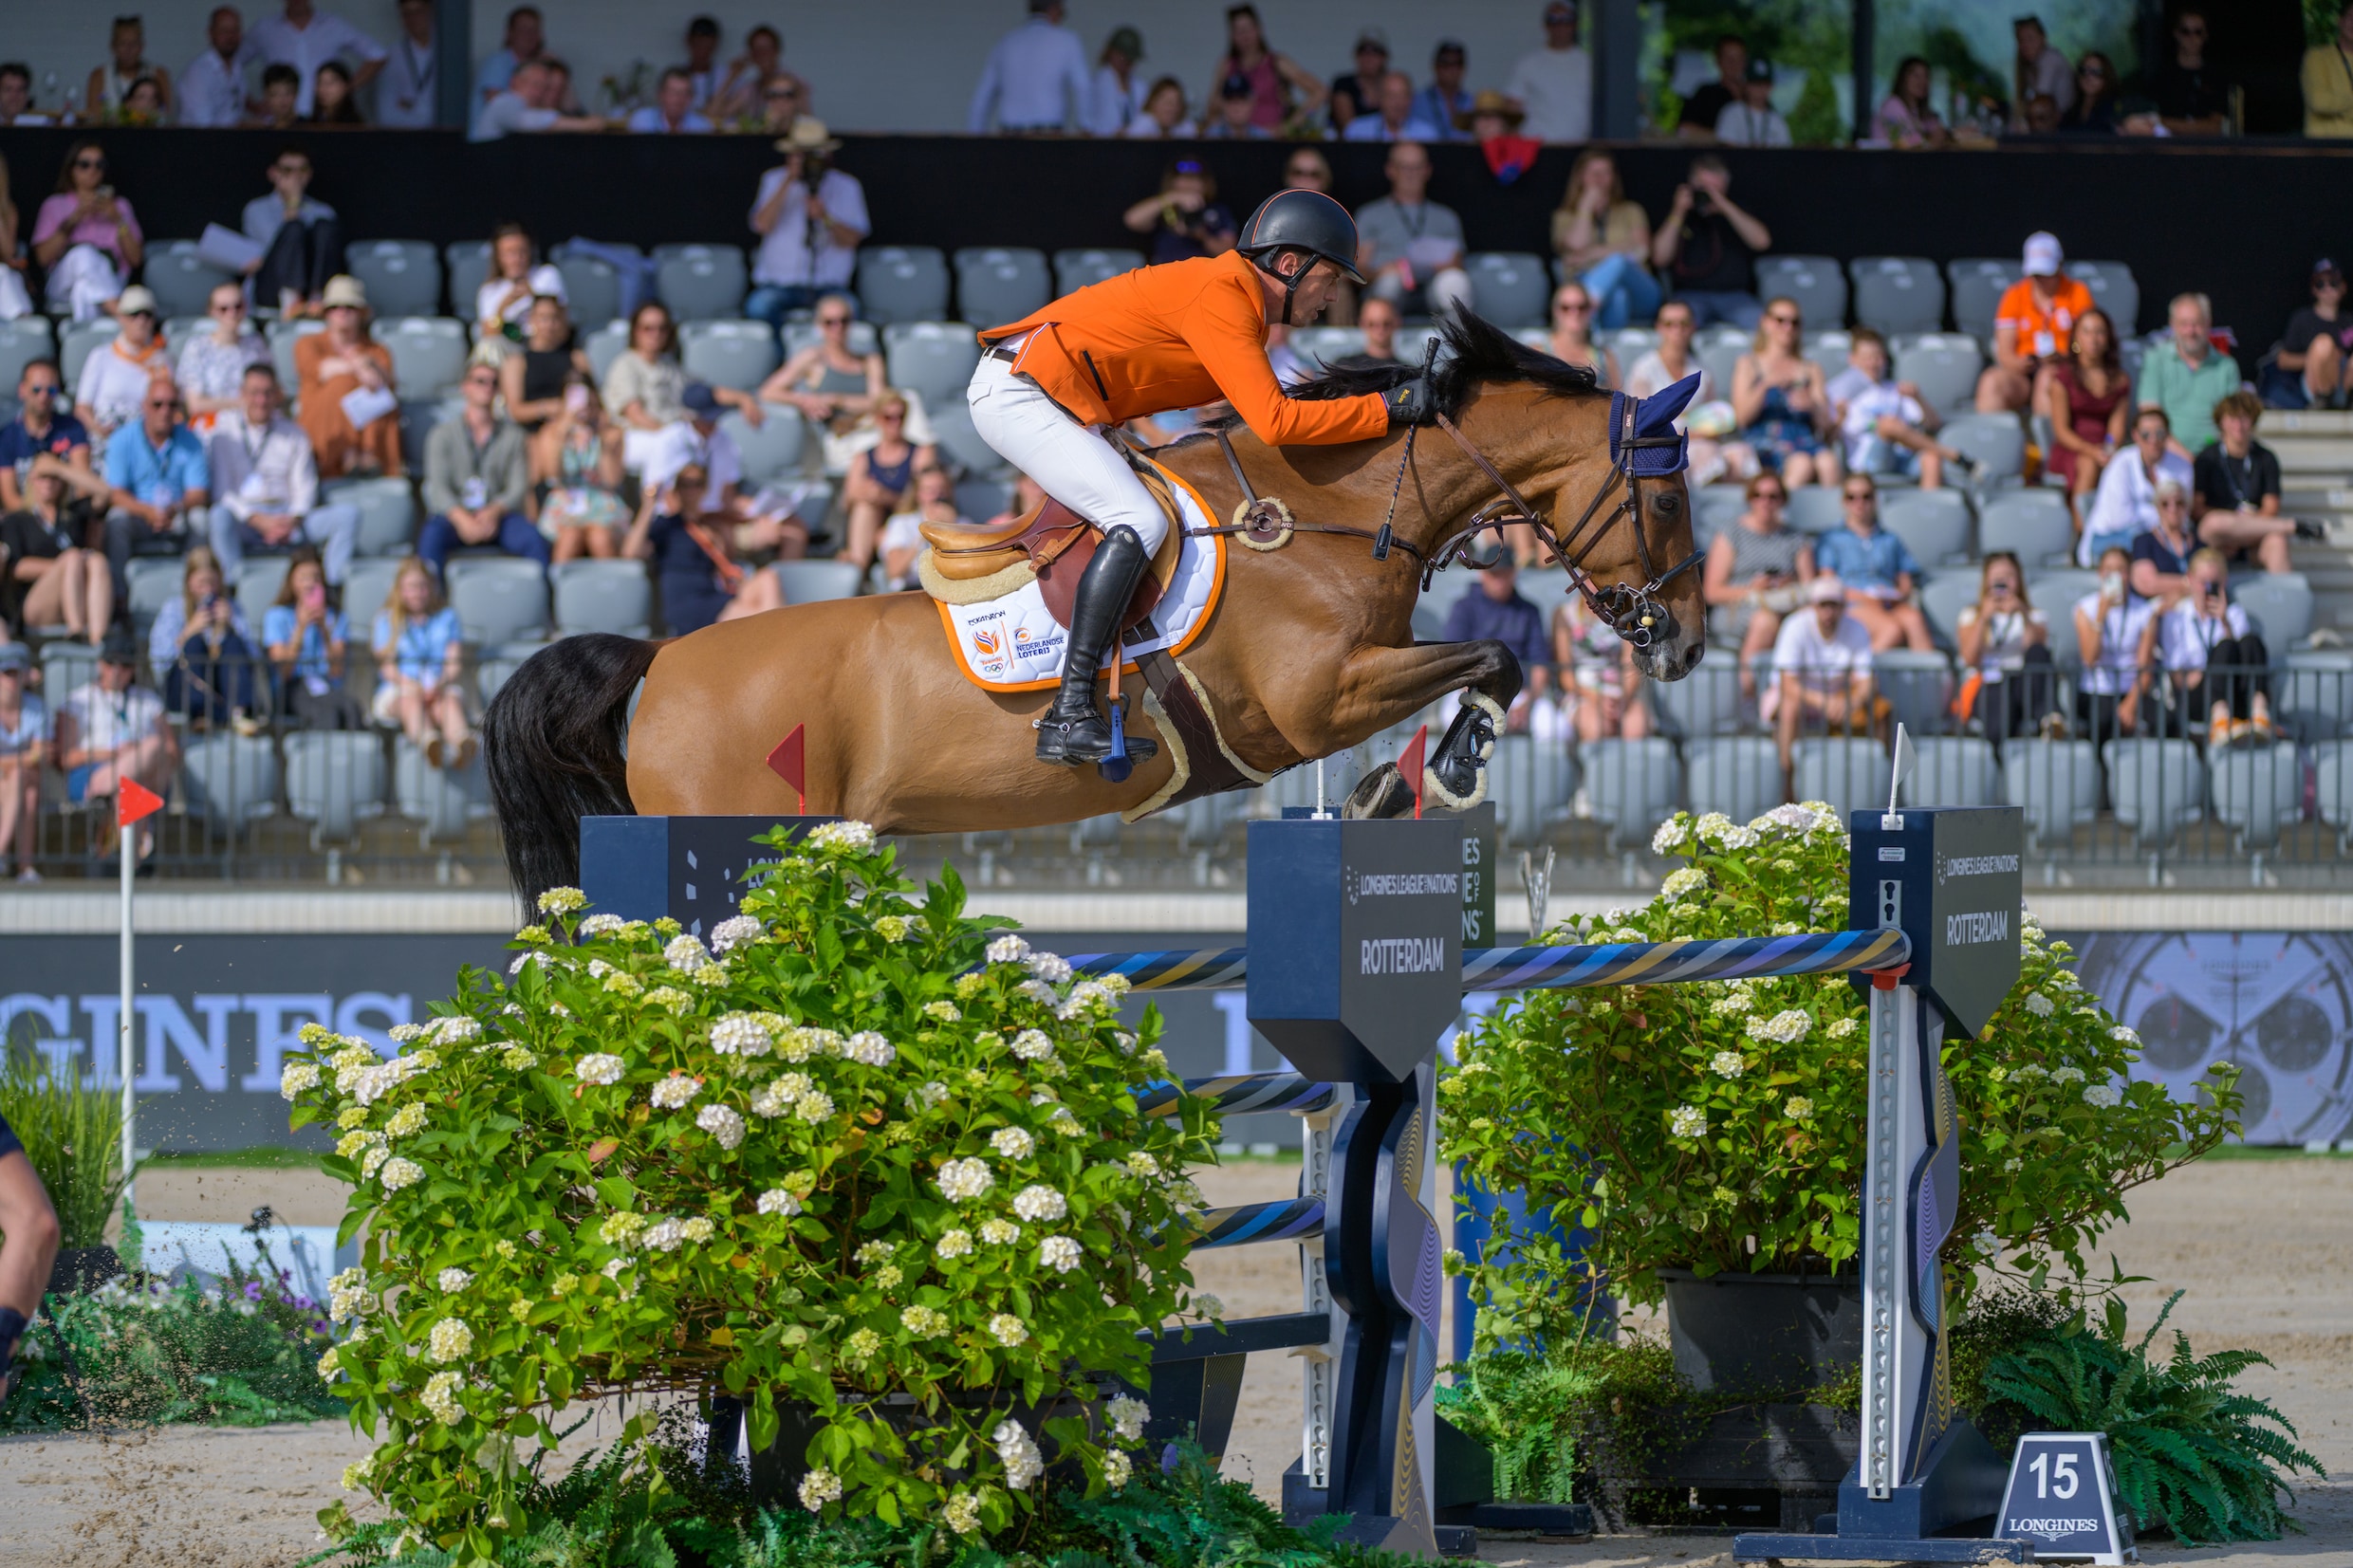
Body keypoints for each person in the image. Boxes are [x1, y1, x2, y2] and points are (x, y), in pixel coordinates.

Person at [972, 188, 1399, 765]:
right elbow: (1275, 421)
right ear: (1291, 266)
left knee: (1168, 508)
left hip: (1063, 403)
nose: (1332, 296)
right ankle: (1069, 713)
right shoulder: (1224, 295)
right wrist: (1387, 409)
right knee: (1138, 517)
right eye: (1331, 279)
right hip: (1021, 393)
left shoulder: (1238, 303)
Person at [206, 361, 360, 587]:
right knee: (219, 516)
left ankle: (330, 585)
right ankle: (230, 585)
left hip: (287, 516)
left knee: (348, 516)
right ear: (242, 394)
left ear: (277, 395)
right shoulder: (224, 433)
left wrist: (291, 520)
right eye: (254, 393)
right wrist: (257, 520)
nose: (261, 401)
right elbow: (223, 492)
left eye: (268, 393)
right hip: (246, 518)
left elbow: (305, 488)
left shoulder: (294, 434)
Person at [640, 382, 808, 563]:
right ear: (690, 417)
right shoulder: (667, 443)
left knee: (793, 529)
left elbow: (727, 497)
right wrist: (718, 520)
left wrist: (759, 511)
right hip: (681, 525)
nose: (712, 423)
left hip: (719, 517)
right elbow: (667, 503)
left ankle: (784, 588)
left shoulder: (723, 440)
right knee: (721, 536)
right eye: (706, 418)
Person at [418, 360, 544, 581]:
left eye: (494, 382)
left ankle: (541, 602)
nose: (488, 387)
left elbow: (518, 486)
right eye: (480, 381)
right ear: (464, 386)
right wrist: (462, 518)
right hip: (456, 516)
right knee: (431, 537)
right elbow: (438, 487)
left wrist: (494, 512)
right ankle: (434, 603)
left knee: (533, 539)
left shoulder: (513, 436)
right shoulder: (442, 435)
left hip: (498, 516)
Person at [56, 627, 177, 851]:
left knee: (142, 770)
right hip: (92, 775)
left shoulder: (149, 701)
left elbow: (170, 750)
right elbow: (64, 757)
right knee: (136, 783)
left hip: (144, 776)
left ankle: (111, 859)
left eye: (126, 665)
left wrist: (135, 756)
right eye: (112, 663)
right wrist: (115, 753)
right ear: (100, 663)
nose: (117, 671)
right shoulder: (76, 700)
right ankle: (134, 864)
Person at [624, 462, 783, 634]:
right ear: (677, 489)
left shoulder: (710, 525)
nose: (692, 490)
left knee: (768, 577)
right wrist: (648, 507)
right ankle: (779, 644)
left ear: (705, 488)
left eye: (698, 483)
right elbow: (631, 552)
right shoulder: (667, 525)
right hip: (687, 602)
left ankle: (774, 642)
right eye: (686, 484)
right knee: (763, 620)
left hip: (713, 594)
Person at [745, 118, 867, 337]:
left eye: (814, 154)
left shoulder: (847, 186)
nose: (809, 160)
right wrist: (789, 180)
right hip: (780, 284)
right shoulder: (773, 180)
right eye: (802, 154)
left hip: (828, 285)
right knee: (759, 307)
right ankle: (781, 365)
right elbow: (761, 225)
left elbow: (853, 239)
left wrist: (826, 218)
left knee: (849, 309)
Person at [2147, 546, 2274, 747]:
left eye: (2213, 583)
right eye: (2202, 582)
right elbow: (2177, 675)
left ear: (2224, 582)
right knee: (2223, 648)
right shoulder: (2177, 617)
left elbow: (2242, 654)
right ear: (2190, 579)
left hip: (2232, 688)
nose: (2207, 589)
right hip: (2196, 694)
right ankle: (2220, 719)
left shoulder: (2234, 614)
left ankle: (2259, 714)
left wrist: (2224, 622)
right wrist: (2206, 673)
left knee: (2250, 641)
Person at [1703, 472, 1812, 699]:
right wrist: (1753, 589)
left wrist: (1788, 583)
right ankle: (1750, 698)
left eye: (1773, 496)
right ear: (1750, 498)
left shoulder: (1795, 538)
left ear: (1783, 500)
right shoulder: (1731, 533)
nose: (1766, 502)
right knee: (1765, 621)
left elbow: (1810, 588)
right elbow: (1712, 592)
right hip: (1737, 608)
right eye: (1759, 495)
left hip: (1785, 607)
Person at [102, 375, 209, 605]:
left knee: (200, 518)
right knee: (116, 519)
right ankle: (119, 596)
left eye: (172, 405)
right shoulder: (121, 440)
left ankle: (199, 595)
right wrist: (147, 511)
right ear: (144, 406)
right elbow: (116, 493)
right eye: (157, 404)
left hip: (176, 515)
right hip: (138, 514)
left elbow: (198, 493)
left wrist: (175, 509)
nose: (165, 411)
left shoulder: (191, 440)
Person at [1828, 329, 1973, 489]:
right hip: (1866, 462)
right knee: (1887, 425)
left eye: (1877, 357)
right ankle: (1952, 454)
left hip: (1901, 457)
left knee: (1932, 460)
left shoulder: (1895, 390)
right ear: (1853, 359)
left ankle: (1927, 512)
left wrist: (1918, 399)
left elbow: (1933, 424)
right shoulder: (1843, 393)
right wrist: (1840, 417)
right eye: (1866, 358)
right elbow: (1830, 437)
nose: (1872, 363)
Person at [1974, 231, 2092, 415]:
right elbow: (2004, 351)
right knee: (1991, 381)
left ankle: (2047, 441)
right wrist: (2019, 363)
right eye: (2036, 273)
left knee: (2048, 378)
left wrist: (2065, 355)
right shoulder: (2014, 295)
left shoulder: (2078, 293)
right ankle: (1990, 440)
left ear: (2059, 266)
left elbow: (2086, 343)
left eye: (2046, 273)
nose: (2041, 279)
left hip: (2065, 368)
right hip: (2022, 373)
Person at [295, 274, 400, 479]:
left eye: (349, 307)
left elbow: (386, 382)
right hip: (324, 431)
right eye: (335, 307)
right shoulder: (308, 344)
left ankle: (369, 454)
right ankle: (346, 453)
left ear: (361, 313)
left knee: (377, 394)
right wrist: (361, 365)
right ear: (326, 313)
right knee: (341, 383)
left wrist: (368, 366)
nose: (342, 313)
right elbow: (321, 369)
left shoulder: (378, 350)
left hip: (369, 436)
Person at [1771, 576, 1879, 776]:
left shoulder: (1857, 628)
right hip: (1804, 699)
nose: (1828, 612)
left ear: (1843, 606)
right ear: (1813, 606)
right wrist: (1824, 702)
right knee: (1789, 708)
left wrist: (1853, 701)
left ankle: (1877, 779)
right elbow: (1788, 684)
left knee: (1882, 710)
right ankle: (1786, 779)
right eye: (1823, 605)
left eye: (1834, 605)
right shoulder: (1794, 626)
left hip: (1838, 698)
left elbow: (1868, 680)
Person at [371, 555, 471, 766]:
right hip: (399, 688)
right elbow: (387, 667)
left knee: (446, 702)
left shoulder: (448, 616)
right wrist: (410, 684)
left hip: (438, 686)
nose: (417, 593)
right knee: (411, 701)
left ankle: (462, 743)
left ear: (431, 587)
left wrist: (439, 684)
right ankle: (428, 741)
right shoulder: (386, 619)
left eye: (422, 586)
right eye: (411, 587)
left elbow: (454, 662)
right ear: (400, 589)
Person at [1812, 475, 1931, 652]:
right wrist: (1867, 599)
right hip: (1852, 603)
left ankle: (1932, 677)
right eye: (1852, 497)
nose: (1859, 503)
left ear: (1875, 500)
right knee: (1891, 630)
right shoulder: (1831, 538)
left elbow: (1905, 580)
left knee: (1914, 620)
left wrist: (1897, 595)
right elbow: (1829, 583)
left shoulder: (1891, 539)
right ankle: (1855, 674)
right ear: (1844, 502)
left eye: (1866, 496)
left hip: (1888, 602)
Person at [1, 456, 112, 643]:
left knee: (97, 560)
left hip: (79, 593)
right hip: (37, 603)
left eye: (54, 478)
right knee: (74, 556)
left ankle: (98, 641)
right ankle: (75, 631)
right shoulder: (18, 519)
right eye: (42, 477)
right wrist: (63, 567)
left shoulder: (72, 514)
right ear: (31, 481)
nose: (48, 483)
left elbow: (104, 493)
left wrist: (60, 468)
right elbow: (17, 568)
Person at [148, 544, 260, 729]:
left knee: (232, 642)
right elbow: (159, 663)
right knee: (194, 644)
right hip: (184, 689)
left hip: (223, 686)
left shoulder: (233, 608)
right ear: (189, 582)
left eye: (212, 583)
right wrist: (188, 632)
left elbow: (255, 657)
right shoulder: (174, 609)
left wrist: (232, 624)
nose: (207, 590)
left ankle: (240, 711)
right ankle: (200, 714)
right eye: (201, 583)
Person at [1954, 551, 2058, 750]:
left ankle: (2050, 717)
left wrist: (2023, 615)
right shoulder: (1971, 615)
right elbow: (1969, 658)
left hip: (2021, 687)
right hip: (1987, 686)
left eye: (2008, 577)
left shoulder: (2035, 616)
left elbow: (2036, 650)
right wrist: (1984, 619)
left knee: (2038, 654)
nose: (2003, 584)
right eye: (1997, 579)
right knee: (2000, 705)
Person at [1652, 155, 1769, 330]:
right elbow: (1659, 258)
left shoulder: (1737, 211)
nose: (1708, 194)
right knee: (1677, 326)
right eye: (1704, 189)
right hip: (1690, 296)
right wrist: (1678, 212)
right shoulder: (1680, 215)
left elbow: (1762, 242)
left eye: (1714, 189)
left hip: (1735, 297)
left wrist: (1724, 206)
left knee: (1765, 327)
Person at [1356, 143, 1471, 322]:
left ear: (1427, 171)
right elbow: (1359, 270)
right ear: (1391, 170)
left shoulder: (1446, 217)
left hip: (1432, 286)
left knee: (1454, 280)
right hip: (1389, 289)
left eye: (1417, 167)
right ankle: (1382, 342)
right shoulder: (1371, 214)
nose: (1411, 174)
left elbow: (1458, 264)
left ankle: (1457, 343)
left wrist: (1445, 267)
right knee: (1390, 282)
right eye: (1404, 167)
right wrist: (1382, 271)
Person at [2193, 390, 2305, 573]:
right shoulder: (2207, 458)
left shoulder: (2265, 458)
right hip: (2218, 540)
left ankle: (2282, 598)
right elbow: (2198, 510)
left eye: (2244, 418)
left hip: (2253, 536)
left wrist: (2242, 531)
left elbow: (2271, 508)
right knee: (2214, 522)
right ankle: (2291, 526)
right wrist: (2234, 523)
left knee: (2277, 541)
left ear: (2253, 421)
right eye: (2232, 418)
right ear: (2221, 421)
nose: (2238, 425)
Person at [31, 139, 142, 322]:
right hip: (62, 283)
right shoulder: (55, 204)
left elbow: (136, 259)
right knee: (84, 254)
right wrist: (75, 217)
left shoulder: (120, 206)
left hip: (112, 278)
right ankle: (126, 319)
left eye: (99, 165)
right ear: (71, 169)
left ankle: (87, 344)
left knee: (83, 290)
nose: (92, 170)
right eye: (84, 164)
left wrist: (118, 219)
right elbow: (42, 258)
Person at [1732, 298, 1836, 488]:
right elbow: (1741, 418)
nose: (1787, 328)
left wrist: (1811, 405)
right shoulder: (1749, 364)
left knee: (1829, 463)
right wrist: (1765, 386)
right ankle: (1779, 512)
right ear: (1766, 322)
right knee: (1802, 464)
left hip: (1803, 437)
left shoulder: (1811, 368)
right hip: (1765, 439)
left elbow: (1826, 424)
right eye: (1780, 320)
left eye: (1794, 322)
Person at [1439, 560, 1552, 735]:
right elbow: (1453, 660)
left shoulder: (1528, 610)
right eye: (1494, 574)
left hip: (1519, 694)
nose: (1499, 580)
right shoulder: (1464, 607)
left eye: (1505, 574)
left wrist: (1528, 704)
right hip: (1471, 690)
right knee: (1451, 716)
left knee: (1550, 724)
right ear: (1482, 575)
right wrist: (1485, 705)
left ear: (1514, 574)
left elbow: (1539, 663)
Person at [757, 293, 885, 443]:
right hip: (838, 438)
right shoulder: (813, 358)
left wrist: (837, 400)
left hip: (871, 431)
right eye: (829, 322)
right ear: (819, 325)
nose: (837, 328)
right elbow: (768, 392)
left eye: (843, 321)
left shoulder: (870, 361)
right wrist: (805, 400)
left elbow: (880, 403)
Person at [1552, 150, 1657, 331]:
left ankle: (1586, 309)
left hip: (1641, 291)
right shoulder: (1564, 216)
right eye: (1593, 173)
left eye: (1606, 172)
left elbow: (1642, 252)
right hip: (1589, 284)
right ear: (1580, 177)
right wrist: (1585, 207)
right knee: (1617, 296)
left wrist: (1588, 255)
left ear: (1614, 177)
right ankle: (1604, 348)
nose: (1599, 179)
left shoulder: (1631, 210)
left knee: (1618, 262)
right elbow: (1576, 245)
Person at [2040, 305, 2130, 512]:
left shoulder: (2119, 380)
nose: (2093, 338)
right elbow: (2061, 431)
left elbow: (2116, 428)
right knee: (2088, 465)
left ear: (2108, 338)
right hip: (2072, 448)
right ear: (2076, 338)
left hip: (2104, 448)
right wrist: (2092, 451)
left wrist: (2108, 449)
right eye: (2087, 331)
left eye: (2099, 332)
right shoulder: (2062, 378)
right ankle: (2083, 531)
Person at [530, 375, 629, 563]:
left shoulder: (611, 432)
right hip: (565, 503)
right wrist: (563, 430)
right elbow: (552, 475)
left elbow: (612, 480)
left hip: (602, 503)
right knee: (570, 538)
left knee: (600, 538)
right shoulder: (550, 432)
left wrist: (601, 438)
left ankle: (609, 587)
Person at [262, 545, 361, 729]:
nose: (309, 584)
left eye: (315, 578)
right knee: (326, 714)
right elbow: (283, 670)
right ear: (291, 582)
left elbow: (337, 670)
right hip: (293, 689)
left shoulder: (336, 617)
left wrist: (324, 629)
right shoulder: (277, 616)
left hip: (327, 686)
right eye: (303, 578)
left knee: (351, 709)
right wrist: (300, 628)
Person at [2081, 406, 2194, 564]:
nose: (2153, 440)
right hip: (2109, 538)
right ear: (2135, 435)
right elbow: (2120, 518)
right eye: (2146, 434)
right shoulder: (2121, 463)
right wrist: (2163, 514)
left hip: (2160, 538)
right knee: (2148, 544)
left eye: (2159, 433)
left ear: (2168, 434)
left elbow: (2183, 515)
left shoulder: (2183, 466)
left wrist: (2159, 514)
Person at [241, 145, 343, 316]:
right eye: (288, 170)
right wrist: (293, 201)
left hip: (313, 283)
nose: (295, 176)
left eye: (301, 170)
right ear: (273, 173)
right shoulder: (256, 209)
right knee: (293, 229)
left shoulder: (323, 211)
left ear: (309, 174)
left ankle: (316, 299)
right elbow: (275, 246)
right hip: (272, 285)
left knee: (324, 227)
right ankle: (292, 301)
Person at [838, 393, 932, 571]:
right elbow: (847, 500)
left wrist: (885, 497)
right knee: (865, 506)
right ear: (878, 419)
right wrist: (866, 493)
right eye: (888, 417)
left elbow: (926, 496)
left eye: (900, 416)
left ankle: (857, 568)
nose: (895, 422)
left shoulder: (920, 453)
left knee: (877, 517)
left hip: (905, 522)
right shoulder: (864, 457)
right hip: (871, 525)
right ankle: (857, 568)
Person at [72, 286, 170, 457]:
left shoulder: (162, 360)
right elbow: (82, 408)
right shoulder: (101, 355)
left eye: (147, 314)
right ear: (121, 318)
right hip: (105, 440)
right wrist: (99, 429)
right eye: (134, 314)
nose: (141, 320)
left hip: (147, 442)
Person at [2137, 293, 2238, 454]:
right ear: (2172, 325)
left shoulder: (2226, 366)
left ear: (2208, 324)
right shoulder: (2155, 360)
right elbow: (2150, 419)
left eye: (2196, 324)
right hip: (2165, 456)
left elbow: (2233, 421)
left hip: (2214, 457)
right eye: (2184, 324)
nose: (2190, 331)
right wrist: (2188, 461)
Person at [968, 0, 1089, 135]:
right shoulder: (1068, 41)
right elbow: (1082, 88)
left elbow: (983, 96)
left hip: (1009, 137)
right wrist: (1086, 128)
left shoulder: (1006, 42)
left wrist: (975, 138)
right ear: (1054, 9)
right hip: (1049, 136)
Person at [249, 0, 385, 119]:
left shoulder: (333, 25)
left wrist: (346, 89)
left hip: (324, 120)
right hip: (278, 121)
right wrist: (250, 105)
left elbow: (377, 54)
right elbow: (231, 62)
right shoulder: (263, 29)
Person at [0, 360, 93, 514]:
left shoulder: (72, 428)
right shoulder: (7, 437)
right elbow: (10, 498)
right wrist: (44, 517)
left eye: (50, 390)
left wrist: (57, 468)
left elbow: (83, 486)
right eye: (36, 389)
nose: (43, 396)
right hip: (26, 519)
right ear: (22, 390)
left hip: (68, 514)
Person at [1214, 4, 1323, 132]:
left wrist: (1290, 126)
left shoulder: (1277, 62)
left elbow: (1319, 92)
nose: (1245, 36)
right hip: (1238, 140)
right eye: (1239, 31)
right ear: (1232, 35)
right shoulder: (1227, 65)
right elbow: (1213, 107)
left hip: (1272, 141)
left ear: (1259, 30)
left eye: (1248, 29)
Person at [1551, 591, 1644, 741]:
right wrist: (1598, 700)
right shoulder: (1564, 614)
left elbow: (1631, 665)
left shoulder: (1625, 614)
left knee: (1636, 727)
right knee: (1597, 728)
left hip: (1619, 693)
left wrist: (1623, 699)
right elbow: (1565, 675)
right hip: (1582, 692)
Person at [176, 281, 272, 420]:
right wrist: (244, 403)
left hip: (254, 424)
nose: (232, 313)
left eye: (237, 307)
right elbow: (195, 404)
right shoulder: (197, 347)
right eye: (224, 309)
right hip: (213, 426)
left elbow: (272, 389)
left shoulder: (256, 344)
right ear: (212, 311)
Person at [2263, 260, 2349, 410]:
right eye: (2320, 284)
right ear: (2314, 290)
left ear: (2343, 287)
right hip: (2315, 387)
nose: (2327, 288)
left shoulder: (2349, 320)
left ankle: (2345, 401)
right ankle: (2324, 400)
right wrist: (2320, 357)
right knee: (2323, 344)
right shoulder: (2303, 319)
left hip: (2344, 384)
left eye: (2333, 283)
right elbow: (2283, 360)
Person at [1505, 0, 1593, 143]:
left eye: (1566, 20)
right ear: (1545, 25)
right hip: (1535, 148)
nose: (1560, 25)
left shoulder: (1587, 63)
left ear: (1575, 24)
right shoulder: (1528, 64)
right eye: (1553, 20)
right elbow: (1512, 107)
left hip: (1577, 146)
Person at [472, 222, 565, 354]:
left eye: (522, 251)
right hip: (508, 350)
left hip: (544, 347)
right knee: (490, 345)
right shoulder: (489, 290)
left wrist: (535, 298)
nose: (517, 259)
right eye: (510, 253)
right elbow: (488, 336)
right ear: (498, 256)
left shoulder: (546, 275)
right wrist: (503, 307)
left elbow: (563, 323)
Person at [500, 294, 589, 431]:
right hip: (533, 432)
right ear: (532, 320)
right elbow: (515, 410)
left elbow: (591, 397)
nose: (549, 325)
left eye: (554, 318)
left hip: (572, 428)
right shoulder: (517, 362)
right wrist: (547, 408)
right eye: (543, 318)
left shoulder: (576, 358)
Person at [1125, 160, 1236, 267]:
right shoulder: (1165, 208)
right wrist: (1172, 197)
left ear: (1206, 184)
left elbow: (1228, 252)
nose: (1189, 184)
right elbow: (1132, 220)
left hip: (1202, 273)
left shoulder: (1217, 210)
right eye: (1184, 179)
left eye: (1194, 179)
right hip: (1166, 273)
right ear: (1172, 182)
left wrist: (1202, 235)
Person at [878, 459, 965, 591]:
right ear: (918, 494)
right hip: (913, 590)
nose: (936, 496)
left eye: (941, 490)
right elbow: (894, 571)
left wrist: (952, 530)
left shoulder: (963, 523)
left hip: (953, 588)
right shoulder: (902, 523)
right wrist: (928, 532)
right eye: (930, 490)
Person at [470, 57, 599, 140]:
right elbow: (527, 121)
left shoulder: (523, 107)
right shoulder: (504, 102)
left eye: (544, 88)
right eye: (535, 85)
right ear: (515, 82)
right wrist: (585, 124)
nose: (539, 93)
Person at [0, 642, 45, 880]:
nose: (12, 680)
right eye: (7, 673)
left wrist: (7, 763)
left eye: (18, 673)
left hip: (22, 780)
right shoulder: (36, 709)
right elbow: (33, 755)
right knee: (25, 791)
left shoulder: (36, 707)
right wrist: (22, 760)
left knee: (24, 787)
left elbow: (40, 755)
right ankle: (24, 868)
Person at [183, 6, 263, 129]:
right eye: (224, 31)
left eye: (235, 30)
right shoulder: (199, 72)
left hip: (232, 141)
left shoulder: (237, 66)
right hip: (202, 144)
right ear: (211, 33)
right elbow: (202, 125)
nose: (230, 36)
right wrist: (242, 126)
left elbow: (236, 106)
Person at [2151, 8, 2226, 136]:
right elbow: (2152, 122)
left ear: (2205, 35)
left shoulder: (2215, 77)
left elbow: (2216, 127)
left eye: (2198, 32)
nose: (2192, 37)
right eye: (2186, 31)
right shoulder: (2161, 76)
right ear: (2176, 33)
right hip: (2167, 149)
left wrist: (2171, 124)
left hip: (2206, 150)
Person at [89, 15, 175, 123]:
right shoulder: (99, 76)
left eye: (133, 44)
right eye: (123, 44)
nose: (128, 50)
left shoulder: (158, 74)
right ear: (113, 46)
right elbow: (94, 118)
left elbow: (165, 116)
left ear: (142, 46)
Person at [2128, 479, 2200, 606]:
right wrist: (2189, 583)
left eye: (2179, 503)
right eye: (2165, 504)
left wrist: (2171, 589)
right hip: (2156, 610)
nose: (2173, 509)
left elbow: (2211, 579)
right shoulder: (2144, 541)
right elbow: (2147, 584)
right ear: (2157, 507)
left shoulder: (2199, 543)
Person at [1545, 283, 1620, 389]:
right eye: (1566, 308)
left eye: (1581, 307)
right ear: (1555, 311)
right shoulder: (1538, 352)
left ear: (1590, 310)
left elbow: (1617, 399)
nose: (1575, 313)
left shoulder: (1605, 357)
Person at [378, 0, 438, 129]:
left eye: (418, 12)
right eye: (406, 14)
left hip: (442, 138)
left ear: (431, 12)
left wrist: (412, 107)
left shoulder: (447, 53)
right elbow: (386, 114)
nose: (413, 19)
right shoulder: (392, 55)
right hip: (403, 138)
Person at [710, 24, 787, 123]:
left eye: (767, 49)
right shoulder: (750, 89)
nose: (763, 54)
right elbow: (713, 114)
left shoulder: (794, 84)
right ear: (751, 55)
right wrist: (732, 76)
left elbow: (807, 121)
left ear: (777, 51)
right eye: (757, 50)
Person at [2010, 16, 2074, 131]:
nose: (2025, 45)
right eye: (2021, 40)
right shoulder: (2031, 66)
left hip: (2064, 127)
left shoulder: (2051, 59)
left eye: (2030, 39)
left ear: (2043, 37)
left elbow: (2039, 103)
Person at [1082, 25, 1146, 137]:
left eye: (1131, 59)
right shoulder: (1100, 82)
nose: (1127, 62)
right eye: (1123, 57)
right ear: (1111, 53)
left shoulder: (1138, 85)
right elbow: (1101, 122)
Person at [475, 3, 544, 106]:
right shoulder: (498, 62)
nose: (529, 35)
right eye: (523, 29)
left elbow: (570, 106)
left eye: (534, 30)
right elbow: (495, 102)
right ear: (510, 33)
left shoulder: (538, 65)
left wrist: (556, 67)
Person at [1678, 36, 1747, 138]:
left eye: (1739, 58)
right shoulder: (1706, 94)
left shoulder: (1755, 97)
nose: (1734, 64)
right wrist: (1723, 139)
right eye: (1729, 59)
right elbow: (1685, 130)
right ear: (1718, 61)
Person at [1874, 56, 1951, 147]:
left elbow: (1936, 130)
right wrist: (1931, 140)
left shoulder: (1918, 110)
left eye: (1926, 76)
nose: (1922, 81)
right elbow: (1905, 143)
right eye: (1916, 76)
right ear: (1903, 79)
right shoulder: (1892, 105)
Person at [1344, 72, 1442, 143]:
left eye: (1404, 96)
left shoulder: (1427, 134)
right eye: (1391, 96)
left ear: (1411, 99)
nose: (1398, 103)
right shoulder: (1357, 131)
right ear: (1380, 99)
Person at [1714, 57, 1791, 147]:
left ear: (1771, 87)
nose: (1760, 90)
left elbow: (1785, 152)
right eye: (1755, 84)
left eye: (1764, 84)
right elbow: (1726, 147)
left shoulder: (1777, 120)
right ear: (1746, 86)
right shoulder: (1732, 113)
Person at [2303, 2, 2353, 138]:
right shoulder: (2316, 57)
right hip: (2324, 149)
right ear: (2340, 21)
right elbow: (2318, 100)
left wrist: (2341, 105)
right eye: (2350, 17)